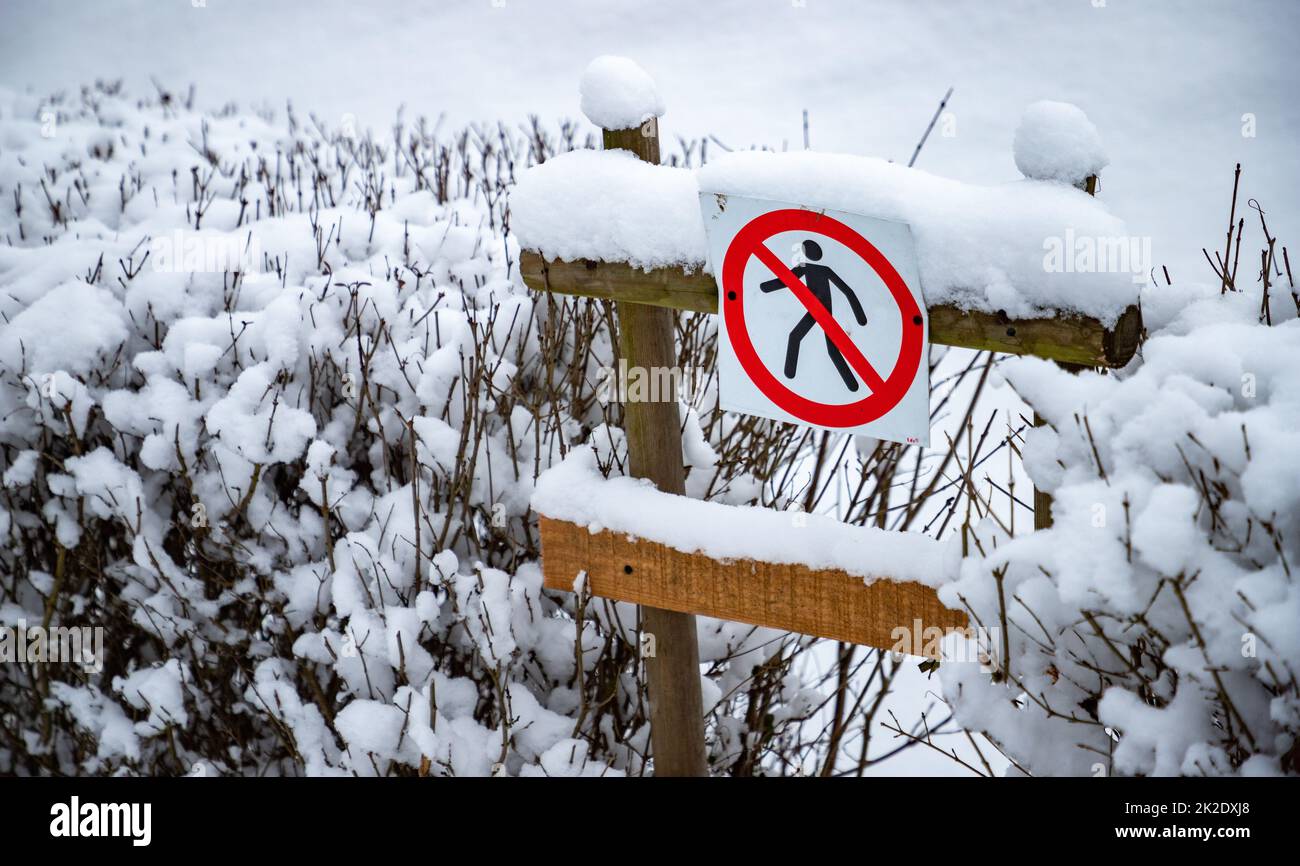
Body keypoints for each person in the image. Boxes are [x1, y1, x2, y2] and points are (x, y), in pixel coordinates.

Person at [759, 239, 868, 391]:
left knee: (829, 348)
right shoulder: (804, 267)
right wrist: (766, 287)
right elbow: (787, 281)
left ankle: (854, 385)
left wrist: (860, 317)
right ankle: (789, 375)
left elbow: (847, 291)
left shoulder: (824, 270)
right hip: (814, 308)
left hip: (824, 311)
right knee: (796, 337)